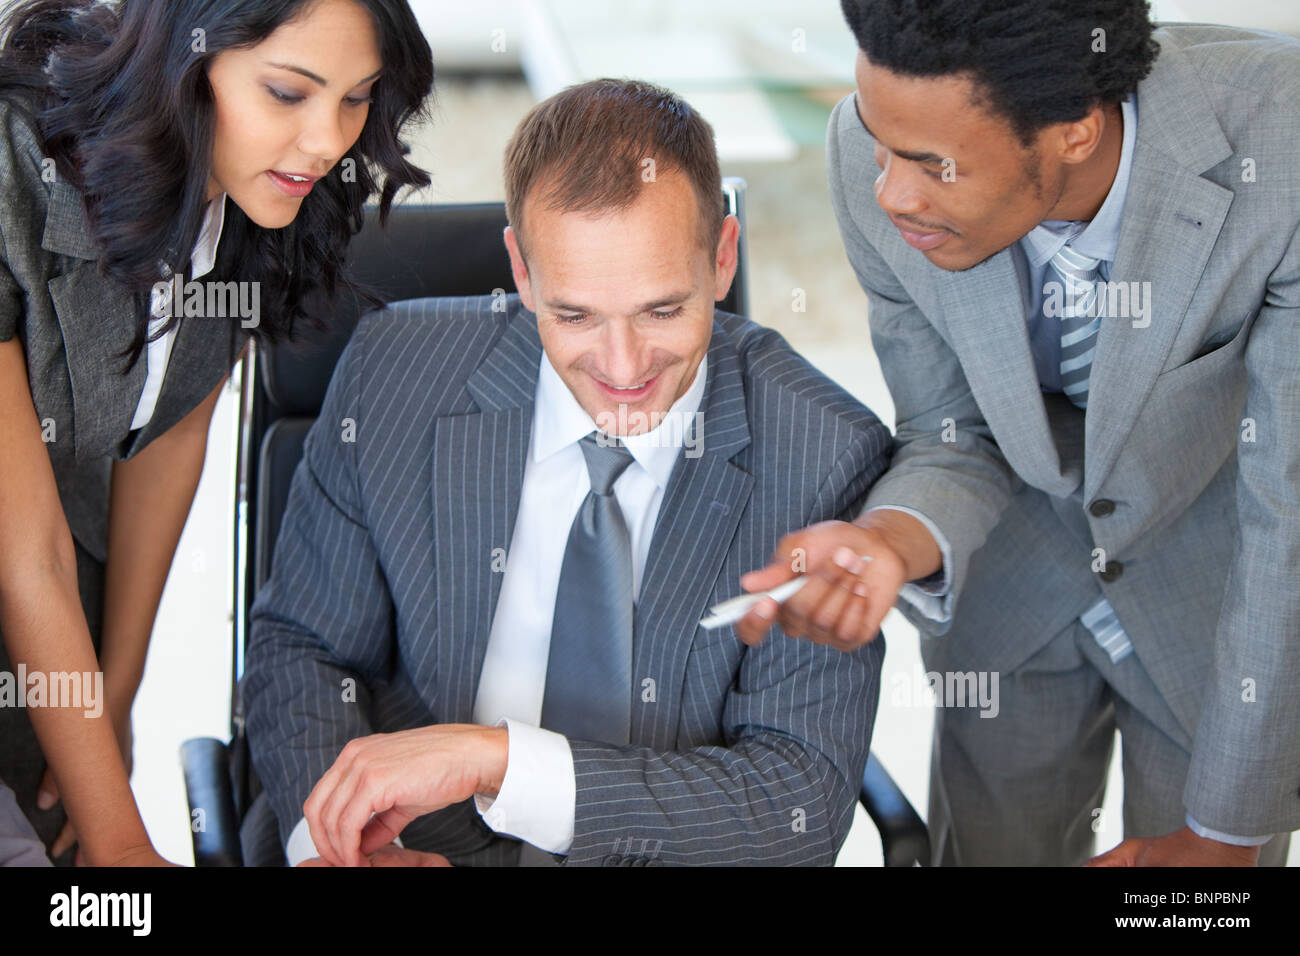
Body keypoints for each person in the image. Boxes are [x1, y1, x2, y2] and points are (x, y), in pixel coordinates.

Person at [242, 78, 890, 867]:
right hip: (415, 843)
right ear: (522, 269)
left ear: (722, 258)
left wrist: (501, 761)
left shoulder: (827, 452)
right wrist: (339, 842)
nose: (623, 369)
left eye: (661, 310)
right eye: (576, 314)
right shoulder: (392, 373)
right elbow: (304, 645)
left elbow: (797, 797)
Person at [736, 0, 1299, 867]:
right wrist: (888, 538)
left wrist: (1227, 833)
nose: (890, 192)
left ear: (1075, 129)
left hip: (1219, 603)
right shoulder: (868, 152)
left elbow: (1289, 499)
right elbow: (948, 427)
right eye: (883, 146)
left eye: (931, 164)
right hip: (1010, 584)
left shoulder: (1284, 143)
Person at [0, 0, 433, 865]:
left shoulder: (255, 197)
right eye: (288, 93)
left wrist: (114, 696)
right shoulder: (12, 170)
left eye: (357, 98)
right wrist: (124, 839)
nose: (326, 142)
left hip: (43, 633)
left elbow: (166, 443)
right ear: (183, 57)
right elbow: (26, 545)